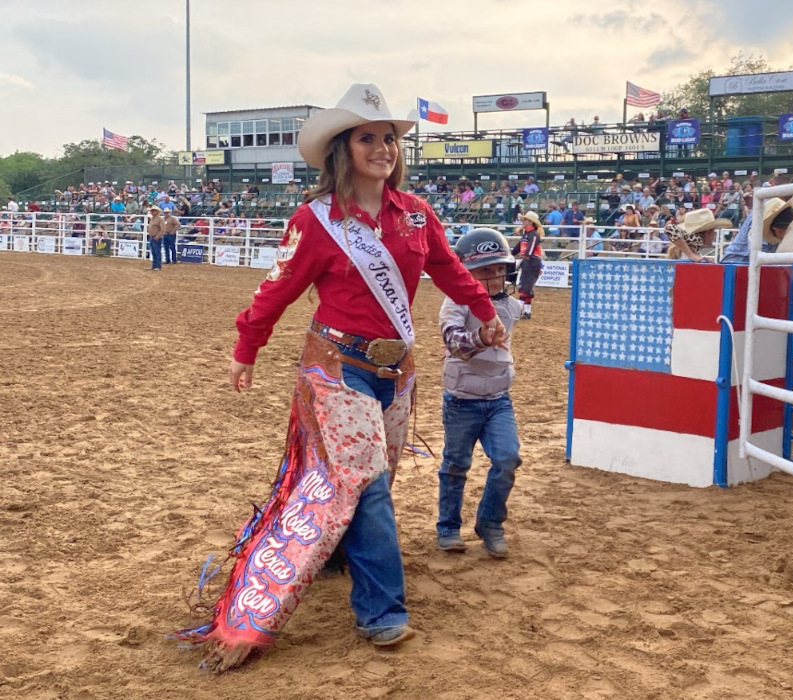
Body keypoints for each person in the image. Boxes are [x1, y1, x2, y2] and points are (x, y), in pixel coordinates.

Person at [172, 83, 504, 672]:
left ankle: (332, 553)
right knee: (368, 480)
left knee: (370, 477)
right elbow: (277, 289)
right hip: (336, 368)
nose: (383, 149)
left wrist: (482, 310)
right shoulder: (316, 220)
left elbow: (449, 270)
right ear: (342, 149)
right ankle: (381, 611)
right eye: (368, 138)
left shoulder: (416, 215)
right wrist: (246, 347)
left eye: (389, 139)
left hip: (397, 370)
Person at [436, 228, 524, 558]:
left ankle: (490, 522)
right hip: (462, 399)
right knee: (456, 464)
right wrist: (483, 339)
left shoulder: (512, 307)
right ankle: (447, 526)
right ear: (466, 274)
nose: (496, 276)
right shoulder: (454, 304)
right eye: (486, 270)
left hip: (499, 399)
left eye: (500, 269)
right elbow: (454, 342)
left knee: (507, 458)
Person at [665, 208, 732, 262]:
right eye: (713, 232)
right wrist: (691, 255)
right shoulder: (693, 245)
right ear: (708, 233)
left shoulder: (691, 247)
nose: (714, 235)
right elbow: (669, 228)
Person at [515, 211, 544, 319]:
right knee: (527, 286)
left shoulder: (534, 235)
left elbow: (529, 250)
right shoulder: (527, 234)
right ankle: (527, 312)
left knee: (525, 287)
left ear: (531, 222)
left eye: (525, 220)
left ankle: (517, 310)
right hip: (529, 261)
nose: (524, 222)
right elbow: (518, 247)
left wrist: (525, 257)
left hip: (531, 262)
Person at [146, 205, 165, 270]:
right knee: (153, 252)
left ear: (157, 212)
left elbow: (162, 229)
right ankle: (154, 266)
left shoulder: (160, 219)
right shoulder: (152, 219)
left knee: (157, 252)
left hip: (156, 237)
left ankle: (158, 266)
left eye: (153, 211)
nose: (152, 212)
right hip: (152, 237)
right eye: (152, 211)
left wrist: (158, 236)